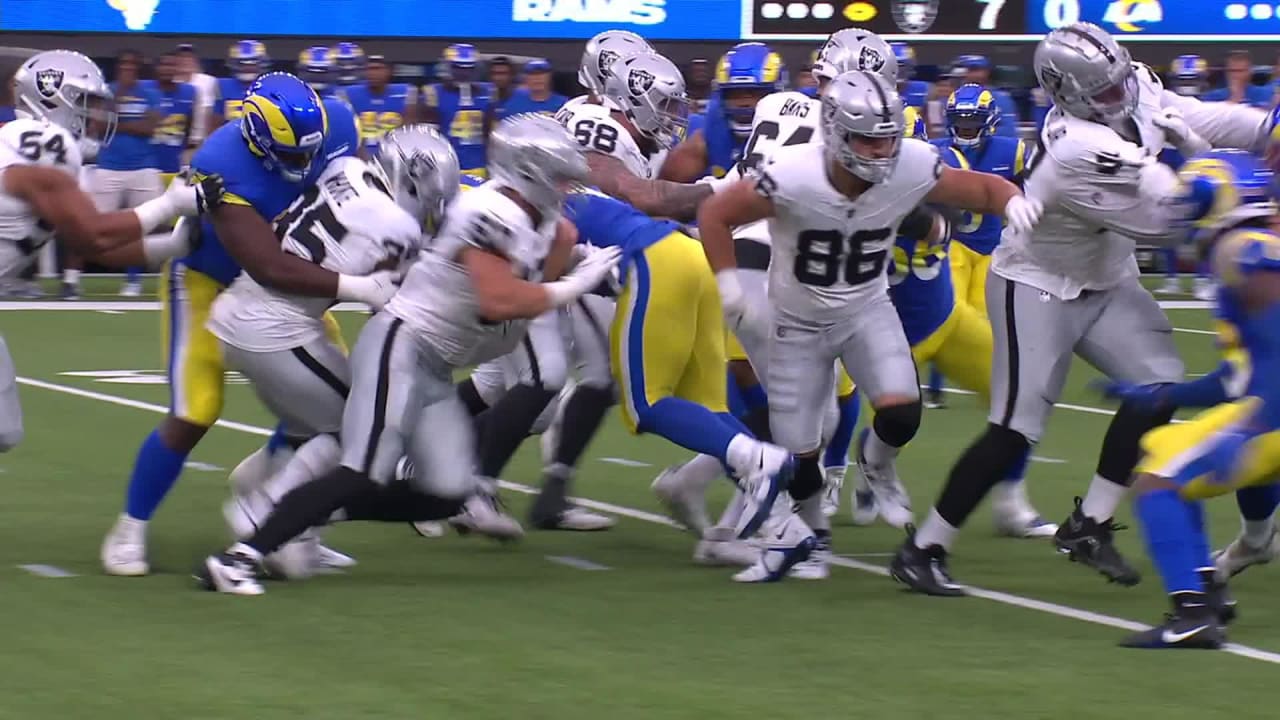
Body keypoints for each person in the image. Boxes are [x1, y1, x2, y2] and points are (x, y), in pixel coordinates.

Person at [889, 22, 1274, 597]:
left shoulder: (1133, 84)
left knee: (1159, 387)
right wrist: (1208, 163)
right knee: (1016, 429)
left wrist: (1265, 126)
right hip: (1039, 283)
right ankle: (924, 549)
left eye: (1120, 81)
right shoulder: (1073, 145)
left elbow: (1197, 114)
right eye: (1105, 90)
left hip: (1107, 275)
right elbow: (1163, 214)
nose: (1121, 95)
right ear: (1066, 93)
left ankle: (1089, 523)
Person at [195, 114, 619, 596]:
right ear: (530, 173)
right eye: (561, 179)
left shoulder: (545, 222)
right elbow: (498, 300)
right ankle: (237, 558)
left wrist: (587, 264)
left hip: (436, 365)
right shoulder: (489, 214)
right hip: (402, 345)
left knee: (446, 492)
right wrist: (573, 286)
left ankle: (298, 513)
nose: (568, 189)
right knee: (365, 464)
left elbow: (537, 269)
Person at [699, 69, 1041, 582]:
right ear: (835, 131)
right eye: (868, 140)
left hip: (866, 310)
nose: (881, 152)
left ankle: (875, 461)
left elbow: (983, 188)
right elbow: (715, 214)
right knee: (801, 457)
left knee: (903, 414)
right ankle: (810, 541)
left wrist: (1013, 203)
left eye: (888, 140)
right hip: (797, 323)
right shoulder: (792, 174)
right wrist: (728, 283)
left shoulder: (910, 164)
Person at [100, 73, 374, 577]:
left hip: (287, 287)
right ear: (256, 137)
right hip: (211, 279)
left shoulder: (338, 125)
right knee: (196, 409)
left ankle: (280, 515)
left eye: (310, 154)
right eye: (290, 156)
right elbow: (266, 262)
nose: (303, 166)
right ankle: (130, 524)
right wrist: (359, 287)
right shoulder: (221, 164)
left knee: (325, 404)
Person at [211, 126, 463, 573]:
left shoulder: (344, 167)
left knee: (318, 424)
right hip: (275, 327)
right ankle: (265, 511)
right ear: (409, 179)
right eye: (428, 192)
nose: (430, 203)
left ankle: (294, 534)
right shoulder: (398, 226)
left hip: (247, 309)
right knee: (357, 423)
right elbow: (392, 304)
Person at [1101, 149, 1280, 648]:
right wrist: (1163, 393)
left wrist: (1261, 420)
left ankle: (1194, 611)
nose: (1185, 216)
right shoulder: (1255, 247)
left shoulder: (1244, 250)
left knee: (1158, 479)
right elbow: (1236, 377)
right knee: (1164, 445)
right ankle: (1210, 590)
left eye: (1193, 203)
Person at [1, 50, 219, 455]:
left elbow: (88, 245)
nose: (95, 118)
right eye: (85, 104)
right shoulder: (45, 143)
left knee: (4, 430)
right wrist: (169, 207)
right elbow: (96, 235)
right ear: (50, 97)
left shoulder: (31, 145)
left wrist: (172, 245)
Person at [903, 82, 1053, 538]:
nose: (965, 130)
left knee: (1012, 377)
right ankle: (847, 475)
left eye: (973, 122)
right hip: (940, 257)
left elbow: (1037, 189)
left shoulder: (1011, 151)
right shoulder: (934, 155)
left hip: (990, 250)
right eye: (960, 122)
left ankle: (1010, 498)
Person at [86, 49, 162, 299]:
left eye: (133, 64)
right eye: (124, 65)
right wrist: (119, 96)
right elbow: (97, 126)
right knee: (91, 226)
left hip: (143, 167)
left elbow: (150, 128)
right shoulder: (107, 90)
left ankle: (134, 280)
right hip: (109, 167)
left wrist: (117, 124)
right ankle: (71, 282)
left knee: (143, 225)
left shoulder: (150, 92)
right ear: (118, 67)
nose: (128, 69)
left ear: (138, 68)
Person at [659, 42, 786, 182]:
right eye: (734, 94)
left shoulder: (799, 131)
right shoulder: (707, 135)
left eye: (754, 93)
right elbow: (664, 189)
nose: (744, 103)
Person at [421, 43, 492, 179]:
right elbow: (428, 138)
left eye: (468, 68)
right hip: (446, 167)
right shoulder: (433, 93)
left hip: (479, 166)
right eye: (457, 68)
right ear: (448, 67)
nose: (463, 73)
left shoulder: (487, 92)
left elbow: (489, 135)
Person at [344, 54, 416, 155]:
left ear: (388, 71)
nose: (374, 73)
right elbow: (347, 132)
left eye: (378, 69)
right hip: (360, 156)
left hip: (395, 156)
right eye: (370, 69)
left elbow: (410, 131)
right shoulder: (350, 94)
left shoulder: (405, 92)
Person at [212, 40, 268, 131]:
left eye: (253, 63)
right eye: (242, 63)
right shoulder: (223, 86)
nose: (248, 68)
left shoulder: (269, 86)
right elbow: (215, 124)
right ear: (234, 63)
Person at [493, 59, 566, 123]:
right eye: (533, 74)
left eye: (542, 74)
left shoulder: (564, 105)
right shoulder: (510, 101)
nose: (537, 78)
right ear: (525, 78)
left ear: (549, 77)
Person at [173, 43, 217, 145]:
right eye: (181, 57)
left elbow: (212, 113)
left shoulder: (208, 81)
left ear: (195, 60)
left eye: (188, 57)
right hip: (176, 141)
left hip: (201, 141)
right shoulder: (171, 83)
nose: (185, 61)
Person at [1203, 50, 1272, 108]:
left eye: (1240, 71)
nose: (1235, 75)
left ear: (1249, 71)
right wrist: (1235, 97)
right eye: (1232, 71)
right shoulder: (1213, 97)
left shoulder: (1266, 94)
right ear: (1226, 72)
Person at [890, 41, 929, 109]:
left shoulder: (925, 90)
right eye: (895, 65)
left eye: (903, 66)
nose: (899, 70)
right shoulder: (874, 92)